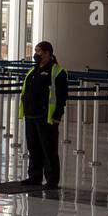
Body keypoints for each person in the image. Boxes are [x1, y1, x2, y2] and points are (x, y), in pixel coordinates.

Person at [20, 41, 67, 189]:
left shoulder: (57, 71)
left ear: (47, 53)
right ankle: (34, 176)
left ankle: (52, 180)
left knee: (48, 149)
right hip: (31, 115)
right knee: (33, 147)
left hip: (46, 116)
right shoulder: (33, 71)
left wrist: (57, 115)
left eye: (39, 51)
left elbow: (61, 96)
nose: (36, 54)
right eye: (36, 51)